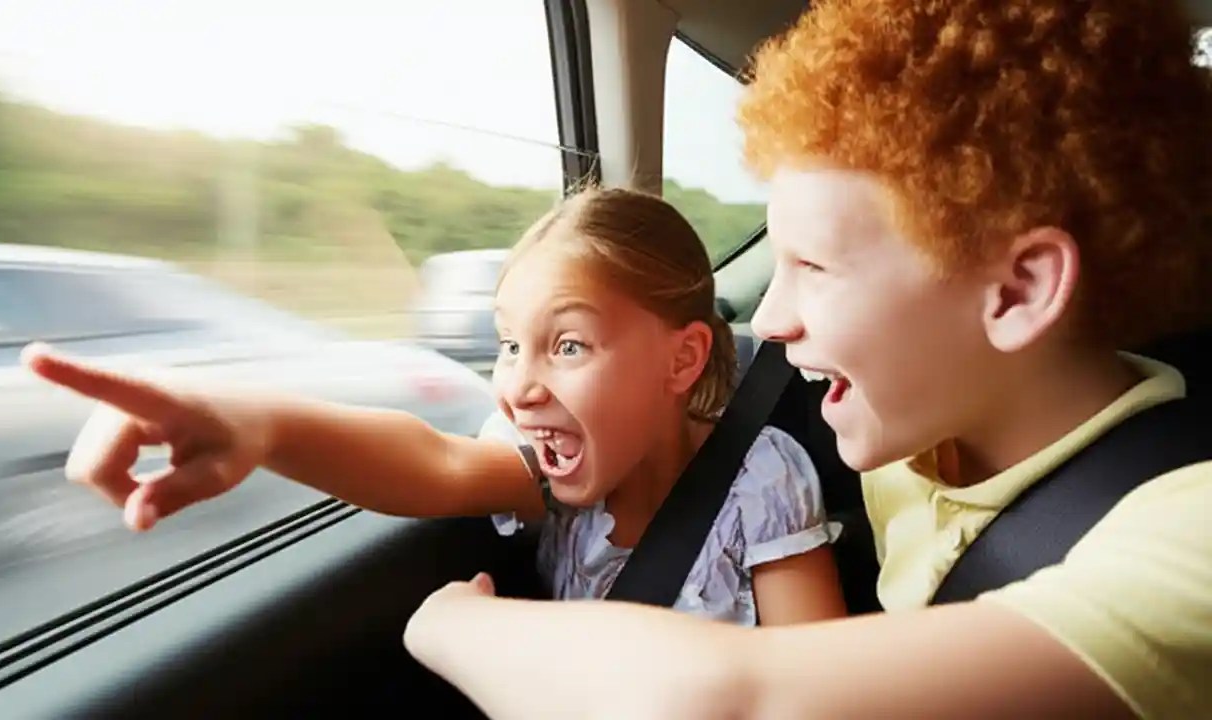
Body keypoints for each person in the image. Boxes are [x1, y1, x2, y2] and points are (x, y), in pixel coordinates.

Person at [398, 1, 1212, 718]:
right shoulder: (911, 453)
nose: (770, 319)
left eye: (814, 268)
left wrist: (447, 621)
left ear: (1018, 290)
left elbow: (729, 701)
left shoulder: (1190, 539)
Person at [21, 187, 847, 627]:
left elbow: (814, 690)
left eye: (568, 346)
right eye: (507, 343)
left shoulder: (762, 482)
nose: (520, 385)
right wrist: (260, 423)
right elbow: (433, 460)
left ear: (683, 358)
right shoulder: (556, 482)